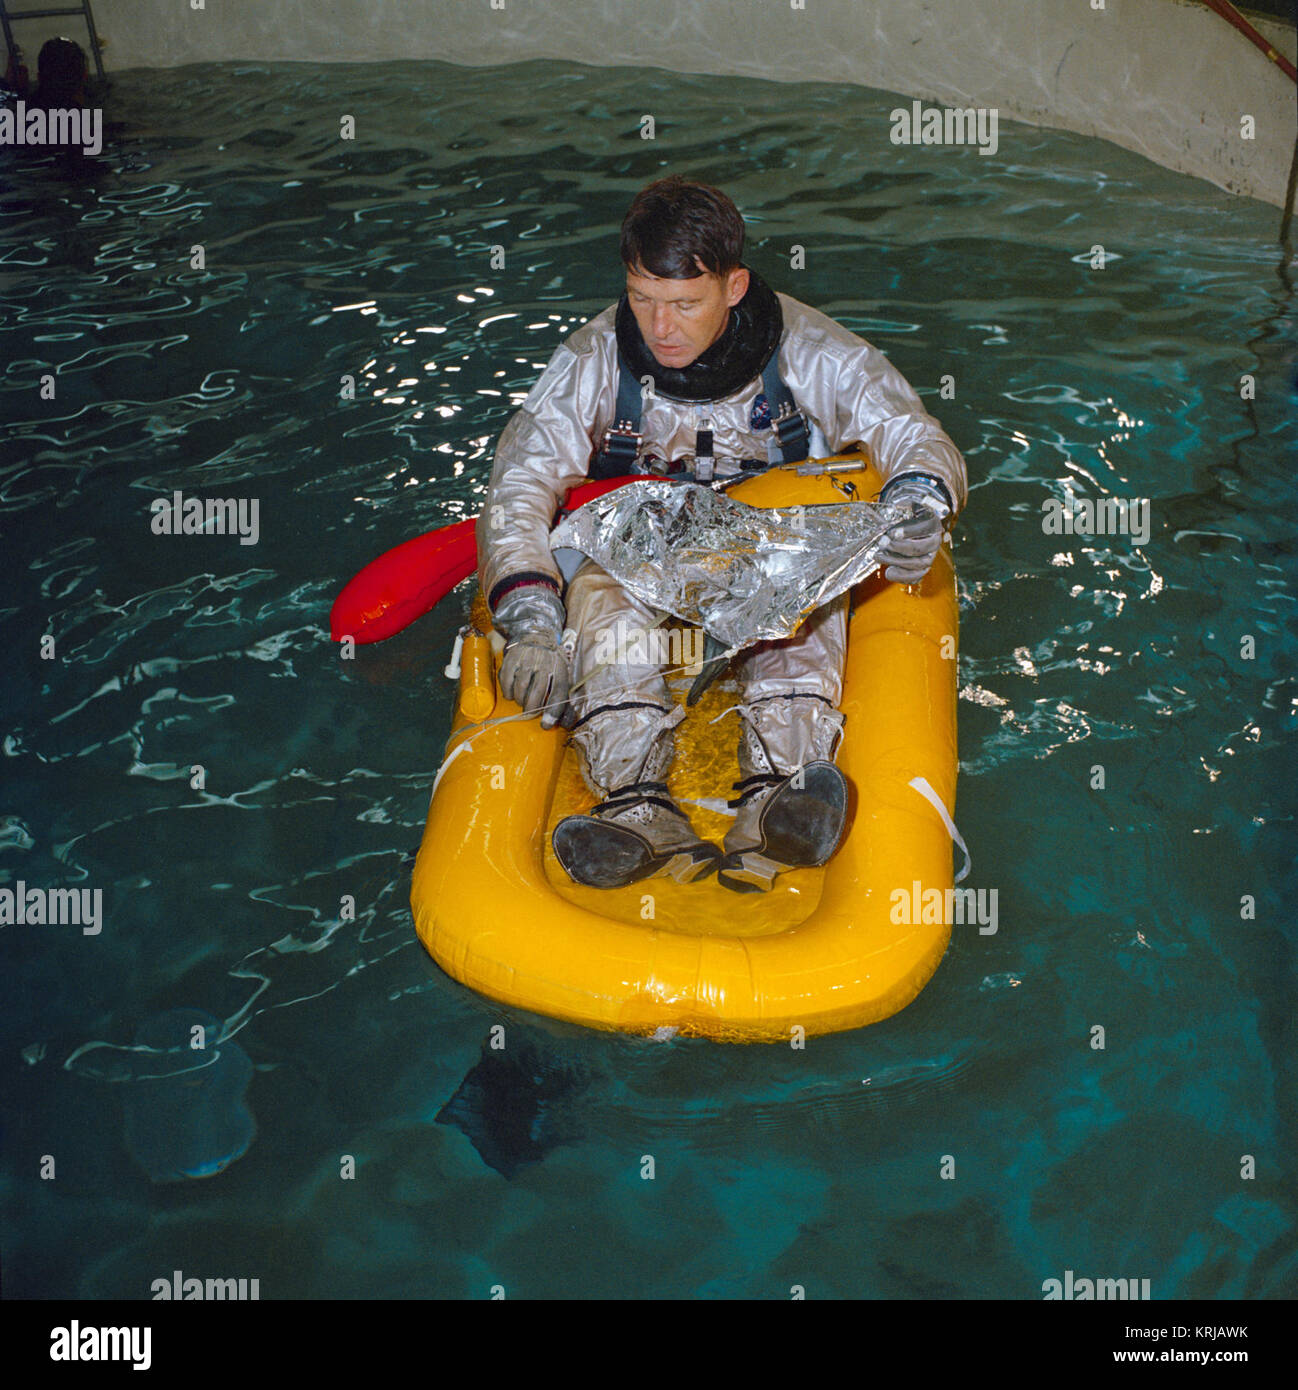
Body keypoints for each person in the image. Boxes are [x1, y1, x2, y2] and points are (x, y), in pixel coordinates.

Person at [479, 176, 967, 893]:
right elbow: (520, 481)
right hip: (636, 552)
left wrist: (921, 502)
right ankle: (637, 801)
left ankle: (776, 791)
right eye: (642, 300)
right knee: (600, 594)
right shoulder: (591, 362)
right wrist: (527, 616)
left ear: (734, 286)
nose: (660, 327)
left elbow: (908, 431)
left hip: (767, 553)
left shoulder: (812, 351)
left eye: (684, 303)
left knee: (805, 600)